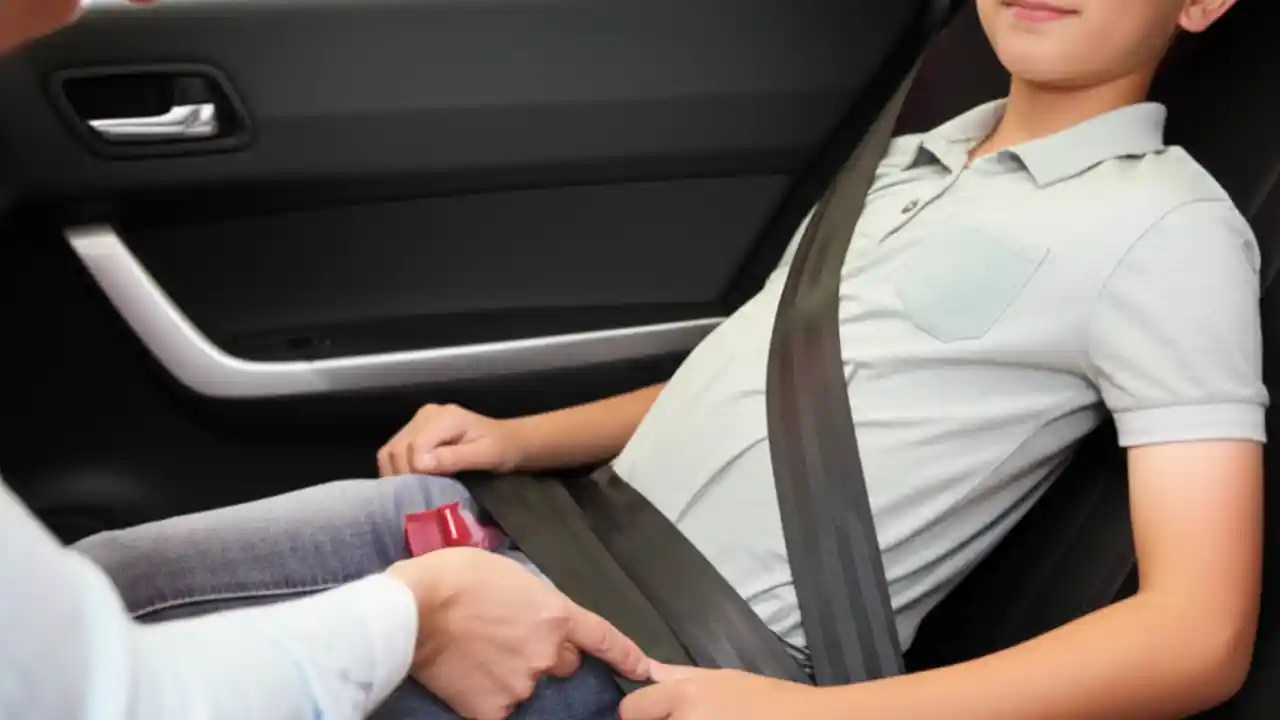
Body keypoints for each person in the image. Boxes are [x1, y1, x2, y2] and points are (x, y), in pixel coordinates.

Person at [75, 0, 1269, 717]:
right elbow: (752, 377)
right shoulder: (907, 159)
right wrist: (515, 440)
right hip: (517, 520)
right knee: (89, 591)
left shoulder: (1166, 229)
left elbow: (1195, 636)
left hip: (657, 653)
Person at [0, 4, 652, 720]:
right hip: (580, 530)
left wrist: (513, 441)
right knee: (115, 580)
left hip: (675, 617)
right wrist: (415, 617)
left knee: (106, 576)